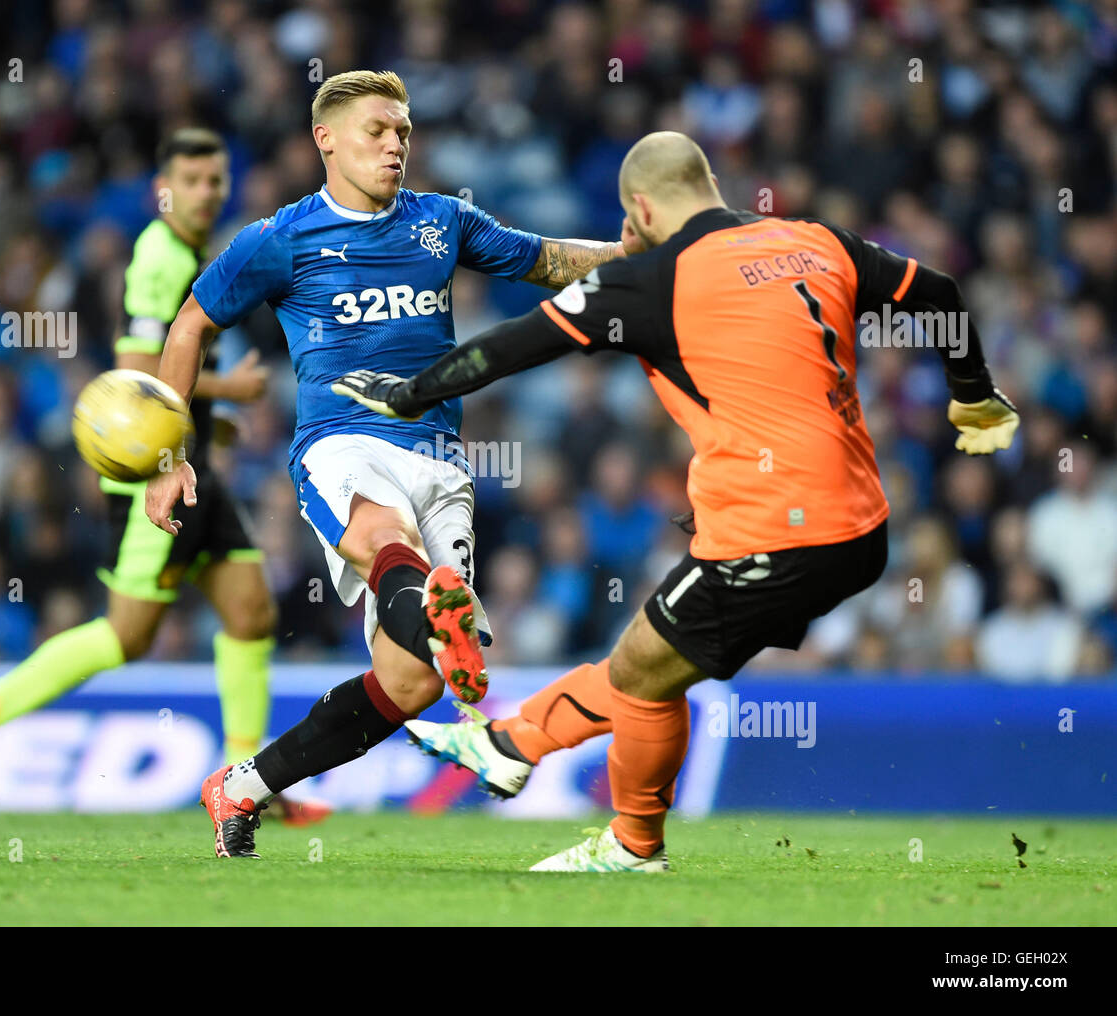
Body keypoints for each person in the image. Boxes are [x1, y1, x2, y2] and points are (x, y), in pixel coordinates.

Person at [334, 130, 1020, 871]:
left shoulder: (654, 278)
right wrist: (974, 398)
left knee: (639, 672)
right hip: (860, 527)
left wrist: (410, 393)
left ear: (641, 208)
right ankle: (537, 764)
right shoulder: (816, 240)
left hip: (781, 529)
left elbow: (509, 347)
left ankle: (583, 805)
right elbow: (941, 294)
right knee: (651, 665)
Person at [143, 70, 625, 858]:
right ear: (325, 140)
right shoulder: (280, 239)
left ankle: (242, 787)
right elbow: (188, 325)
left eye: (403, 131)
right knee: (379, 534)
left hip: (438, 456)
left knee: (411, 686)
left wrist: (641, 252)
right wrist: (171, 453)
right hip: (340, 439)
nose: (396, 145)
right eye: (377, 131)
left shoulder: (443, 222)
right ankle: (442, 618)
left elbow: (549, 262)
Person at [0, 129, 328, 825]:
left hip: (193, 466)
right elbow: (142, 370)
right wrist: (228, 391)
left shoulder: (188, 252)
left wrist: (212, 427)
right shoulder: (156, 258)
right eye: (195, 180)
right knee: (126, 635)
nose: (209, 193)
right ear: (163, 189)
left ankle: (246, 786)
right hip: (157, 474)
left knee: (250, 612)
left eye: (217, 180)